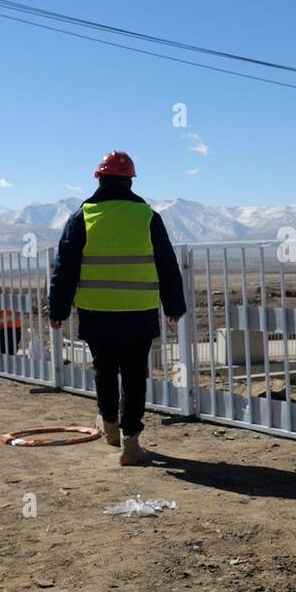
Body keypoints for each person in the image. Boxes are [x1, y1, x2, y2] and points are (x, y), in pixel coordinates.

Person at [48, 151, 186, 465]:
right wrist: (174, 305)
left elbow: (64, 267)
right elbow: (167, 263)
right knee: (136, 375)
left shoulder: (83, 216)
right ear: (130, 180)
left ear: (100, 178)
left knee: (105, 371)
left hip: (97, 313)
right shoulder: (148, 216)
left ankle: (109, 423)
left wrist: (58, 310)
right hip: (139, 312)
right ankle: (131, 443)